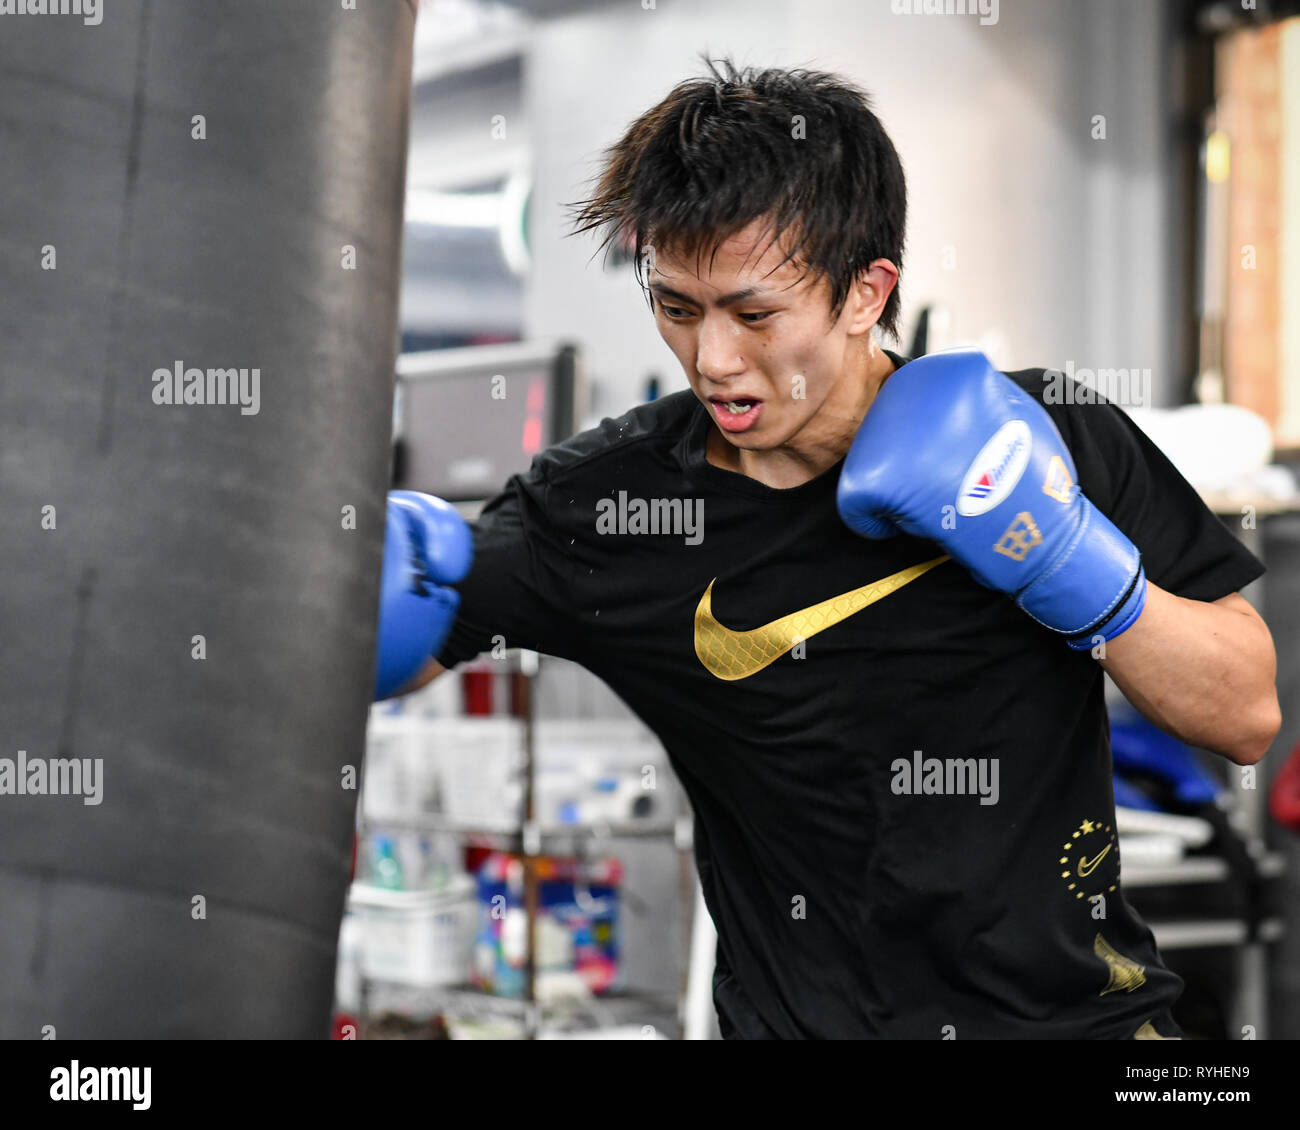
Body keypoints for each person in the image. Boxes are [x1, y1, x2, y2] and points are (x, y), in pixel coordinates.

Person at [379, 58, 1280, 1039]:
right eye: (676, 307)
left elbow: (1242, 711)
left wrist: (1064, 559)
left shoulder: (1042, 430)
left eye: (754, 313)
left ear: (865, 290)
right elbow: (398, 638)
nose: (713, 360)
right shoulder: (612, 502)